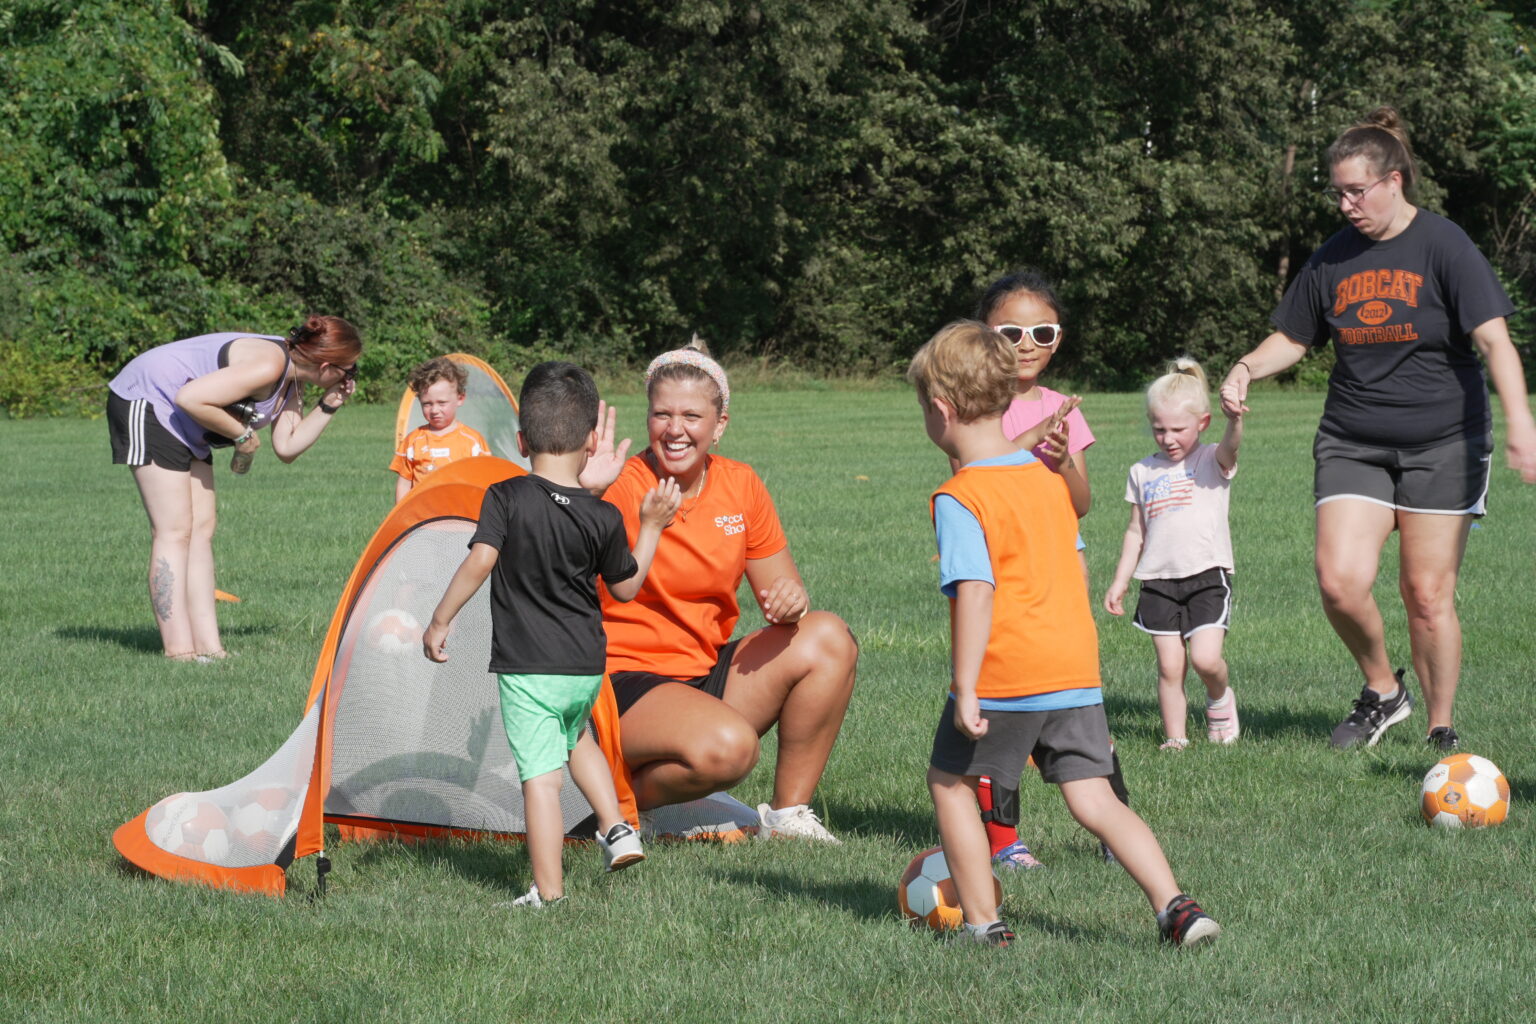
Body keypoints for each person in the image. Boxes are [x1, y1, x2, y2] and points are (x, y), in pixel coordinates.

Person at [1220, 106, 1536, 752]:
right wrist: (1246, 366)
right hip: (1353, 439)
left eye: (1356, 191)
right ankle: (1384, 690)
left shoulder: (1445, 245)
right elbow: (1293, 337)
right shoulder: (1332, 258)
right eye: (1338, 193)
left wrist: (1521, 425)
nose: (1346, 205)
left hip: (1444, 441)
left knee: (1425, 593)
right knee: (1339, 582)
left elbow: (1494, 342)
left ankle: (1441, 729)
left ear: (1394, 181)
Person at [909, 320, 1220, 948]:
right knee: (1095, 799)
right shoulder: (1045, 476)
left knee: (950, 784)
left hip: (1006, 673)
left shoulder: (959, 497)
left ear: (941, 410)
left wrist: (966, 687)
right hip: (1074, 667)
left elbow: (976, 592)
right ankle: (1176, 908)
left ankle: (984, 925)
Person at [422, 361, 681, 907]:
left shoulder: (505, 496)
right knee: (576, 737)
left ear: (521, 441)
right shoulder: (602, 515)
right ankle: (616, 826)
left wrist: (441, 619)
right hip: (585, 667)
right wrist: (652, 526)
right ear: (591, 443)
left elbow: (480, 561)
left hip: (529, 669)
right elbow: (627, 587)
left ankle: (549, 894)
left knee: (541, 780)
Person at [582, 340, 858, 842]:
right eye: (662, 414)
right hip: (620, 680)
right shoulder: (618, 483)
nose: (675, 429)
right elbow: (553, 549)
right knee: (732, 750)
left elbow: (783, 592)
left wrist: (791, 600)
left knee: (829, 638)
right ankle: (604, 807)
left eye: (691, 415)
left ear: (719, 424)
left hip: (703, 670)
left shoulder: (740, 484)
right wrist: (585, 493)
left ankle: (788, 817)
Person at [107, 316, 360, 661]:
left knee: (201, 529)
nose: (351, 376)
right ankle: (178, 651)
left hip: (184, 420)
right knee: (174, 530)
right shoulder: (269, 365)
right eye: (350, 369)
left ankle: (211, 648)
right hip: (150, 399)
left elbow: (287, 447)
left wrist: (329, 404)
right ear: (327, 366)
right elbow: (190, 397)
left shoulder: (292, 381)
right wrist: (242, 435)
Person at [973, 269, 1115, 870]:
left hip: (1059, 571)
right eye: (1011, 331)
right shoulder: (974, 405)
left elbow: (1080, 504)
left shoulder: (1063, 409)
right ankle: (1002, 839)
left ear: (1058, 340)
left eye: (1042, 332)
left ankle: (1113, 824)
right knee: (1002, 704)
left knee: (1073, 695)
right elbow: (970, 482)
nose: (1027, 344)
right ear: (984, 335)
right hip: (1000, 572)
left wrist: (1061, 464)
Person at [1104, 359, 1244, 750]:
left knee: (1205, 659)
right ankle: (1176, 739)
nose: (1167, 439)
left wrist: (1235, 420)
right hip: (1157, 582)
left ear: (1202, 423)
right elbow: (1136, 532)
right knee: (1169, 666)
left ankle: (1219, 697)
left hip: (1206, 576)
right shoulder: (1142, 471)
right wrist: (1120, 582)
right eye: (1159, 429)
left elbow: (1232, 446)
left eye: (1178, 430)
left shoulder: (1211, 459)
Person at [391, 356, 492, 502]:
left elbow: (483, 482)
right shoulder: (413, 441)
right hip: (422, 514)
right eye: (427, 404)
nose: (434, 410)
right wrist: (401, 513)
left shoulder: (473, 442)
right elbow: (404, 484)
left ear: (460, 398)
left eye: (442, 403)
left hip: (459, 512)